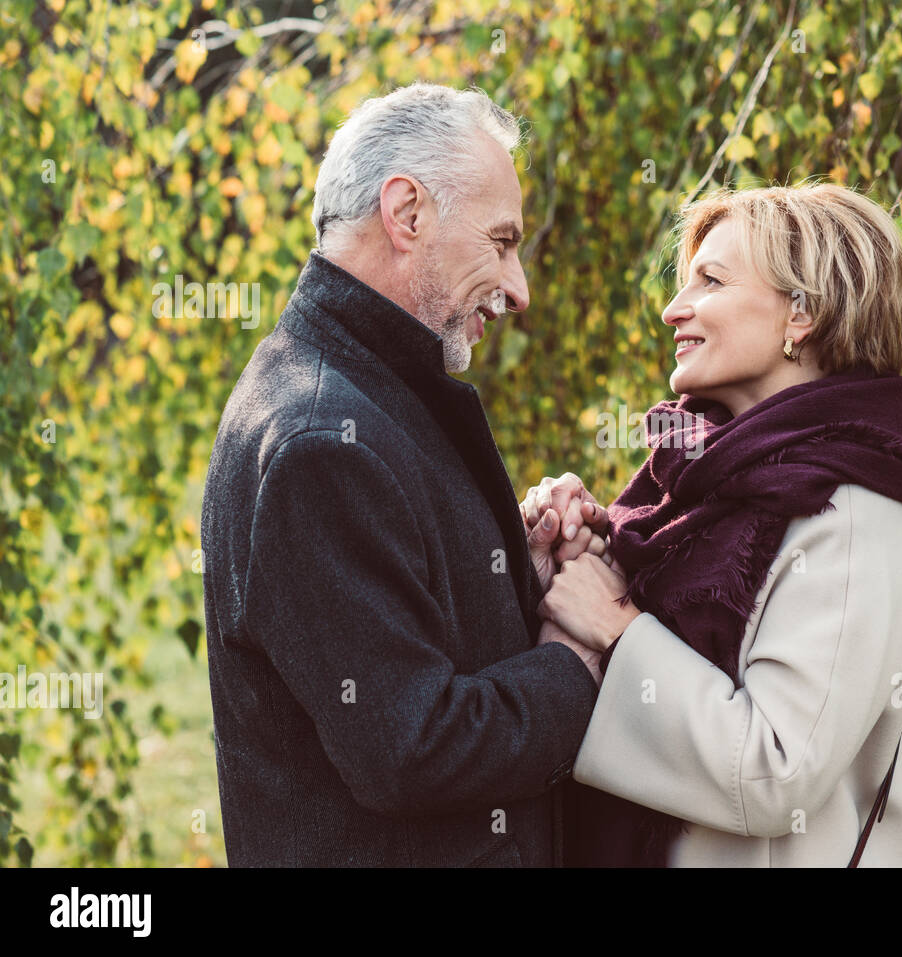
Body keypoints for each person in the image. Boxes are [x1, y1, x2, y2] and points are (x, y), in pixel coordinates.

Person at [201, 84, 607, 866]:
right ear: (407, 213)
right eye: (503, 240)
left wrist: (522, 574)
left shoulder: (369, 391)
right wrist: (577, 663)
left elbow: (398, 632)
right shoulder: (319, 439)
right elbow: (410, 741)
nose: (519, 289)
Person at [522, 182, 902, 866]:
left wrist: (620, 626)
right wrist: (573, 553)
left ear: (801, 314)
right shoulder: (694, 482)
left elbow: (778, 772)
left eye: (709, 281)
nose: (671, 309)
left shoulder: (855, 513)